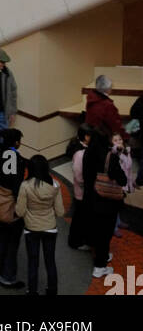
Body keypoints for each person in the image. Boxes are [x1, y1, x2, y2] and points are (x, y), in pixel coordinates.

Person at [15, 154, 64, 296]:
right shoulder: (54, 185)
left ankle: (32, 291)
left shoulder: (25, 186)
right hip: (50, 228)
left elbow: (20, 211)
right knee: (50, 261)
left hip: (31, 229)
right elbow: (60, 212)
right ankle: (52, 290)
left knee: (33, 262)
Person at [0, 127, 27, 289]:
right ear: (16, 142)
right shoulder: (19, 159)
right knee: (12, 242)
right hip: (11, 204)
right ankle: (8, 277)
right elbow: (17, 187)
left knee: (0, 238)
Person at [83, 130, 125, 278]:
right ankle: (100, 266)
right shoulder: (109, 156)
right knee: (105, 233)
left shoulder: (87, 154)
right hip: (107, 202)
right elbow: (121, 179)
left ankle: (101, 255)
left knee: (97, 229)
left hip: (92, 198)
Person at [67, 124, 94, 251]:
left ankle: (76, 240)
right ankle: (75, 242)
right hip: (82, 191)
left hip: (80, 191)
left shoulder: (80, 149)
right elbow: (79, 175)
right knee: (80, 219)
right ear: (85, 136)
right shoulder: (80, 153)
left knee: (79, 217)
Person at [84, 74, 125, 139]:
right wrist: (125, 137)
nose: (112, 88)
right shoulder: (107, 104)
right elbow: (115, 125)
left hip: (92, 136)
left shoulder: (91, 99)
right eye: (111, 86)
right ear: (108, 88)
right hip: (105, 138)